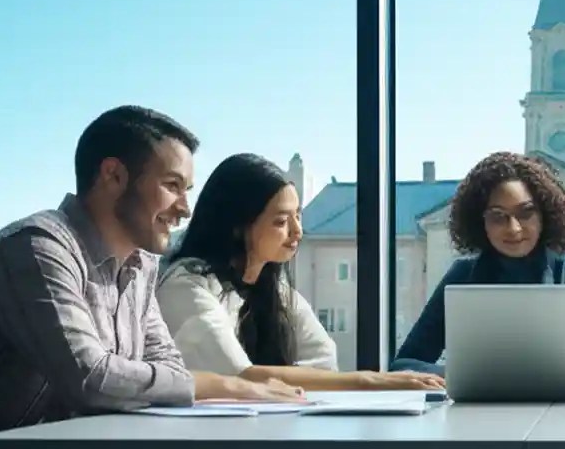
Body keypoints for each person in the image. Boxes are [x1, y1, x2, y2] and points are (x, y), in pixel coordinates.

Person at [0, 106, 298, 449]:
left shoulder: (140, 267)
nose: (185, 208)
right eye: (173, 186)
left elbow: (168, 368)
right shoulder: (36, 249)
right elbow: (91, 378)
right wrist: (222, 384)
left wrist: (183, 383)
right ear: (113, 175)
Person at [158, 153, 444, 392]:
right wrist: (369, 380)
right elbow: (237, 375)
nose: (297, 231)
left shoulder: (273, 288)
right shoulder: (186, 286)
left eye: (298, 216)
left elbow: (323, 359)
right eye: (282, 220)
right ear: (237, 225)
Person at [391, 152, 565, 381]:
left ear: (545, 215)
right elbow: (404, 365)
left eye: (526, 212)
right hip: (480, 426)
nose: (514, 228)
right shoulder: (462, 277)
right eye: (498, 217)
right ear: (480, 222)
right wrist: (463, 378)